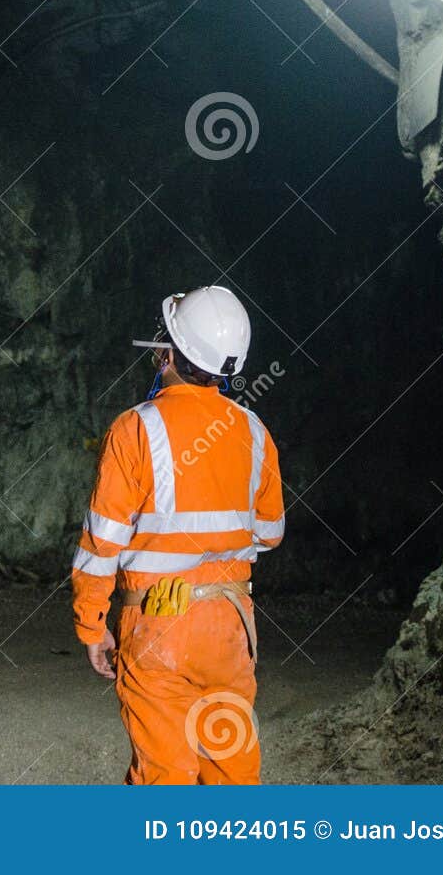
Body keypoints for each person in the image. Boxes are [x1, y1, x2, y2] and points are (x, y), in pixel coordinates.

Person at [72, 286, 285, 784]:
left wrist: (91, 625)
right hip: (230, 623)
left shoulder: (134, 430)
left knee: (163, 777)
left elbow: (102, 546)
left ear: (169, 352)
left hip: (156, 625)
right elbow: (270, 533)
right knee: (232, 770)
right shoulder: (254, 431)